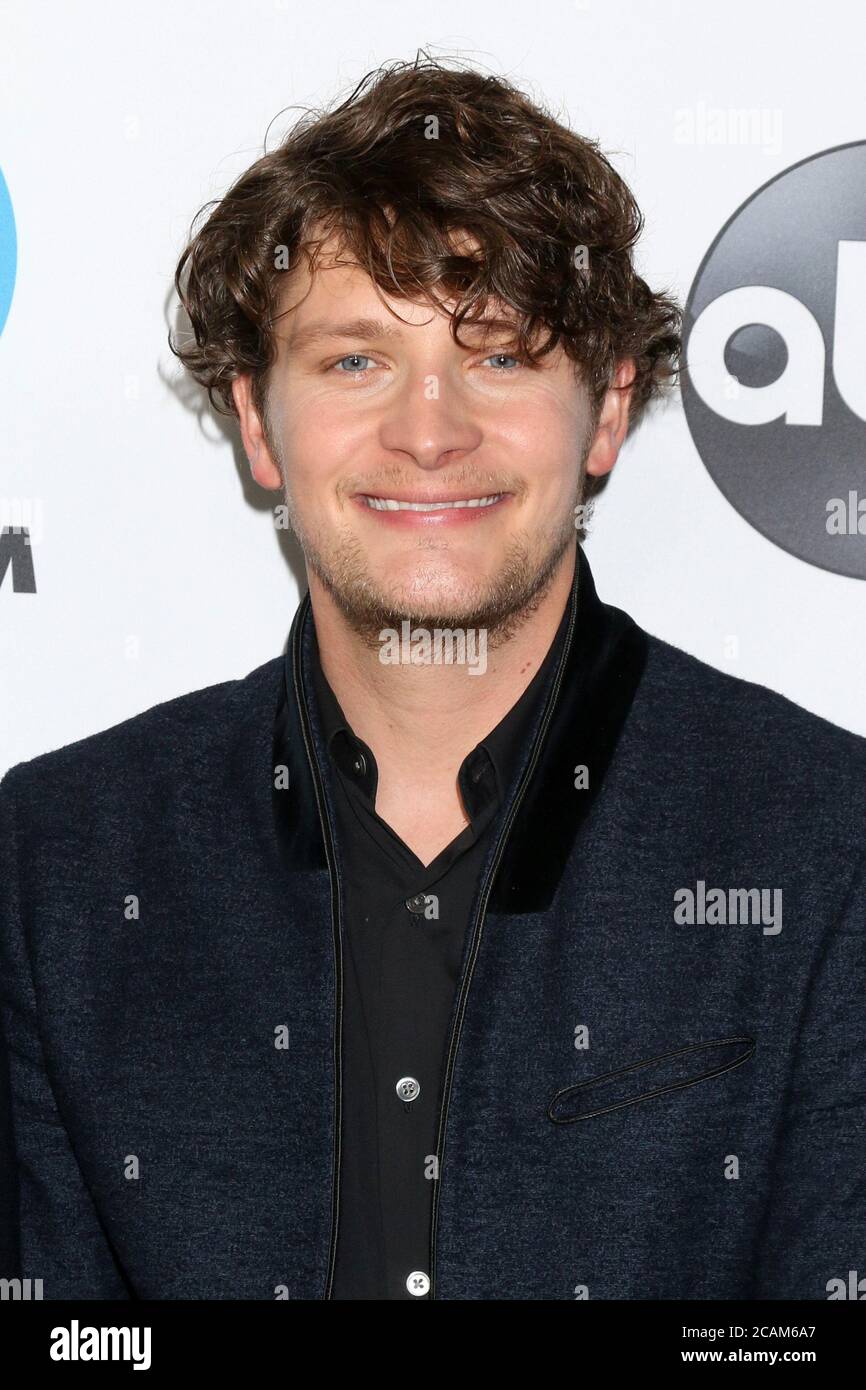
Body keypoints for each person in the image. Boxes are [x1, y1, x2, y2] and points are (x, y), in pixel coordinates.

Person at [1, 54, 864, 1302]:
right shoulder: (58, 864)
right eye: (356, 362)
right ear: (256, 421)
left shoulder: (824, 842)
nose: (428, 425)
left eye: (501, 355)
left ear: (607, 408)